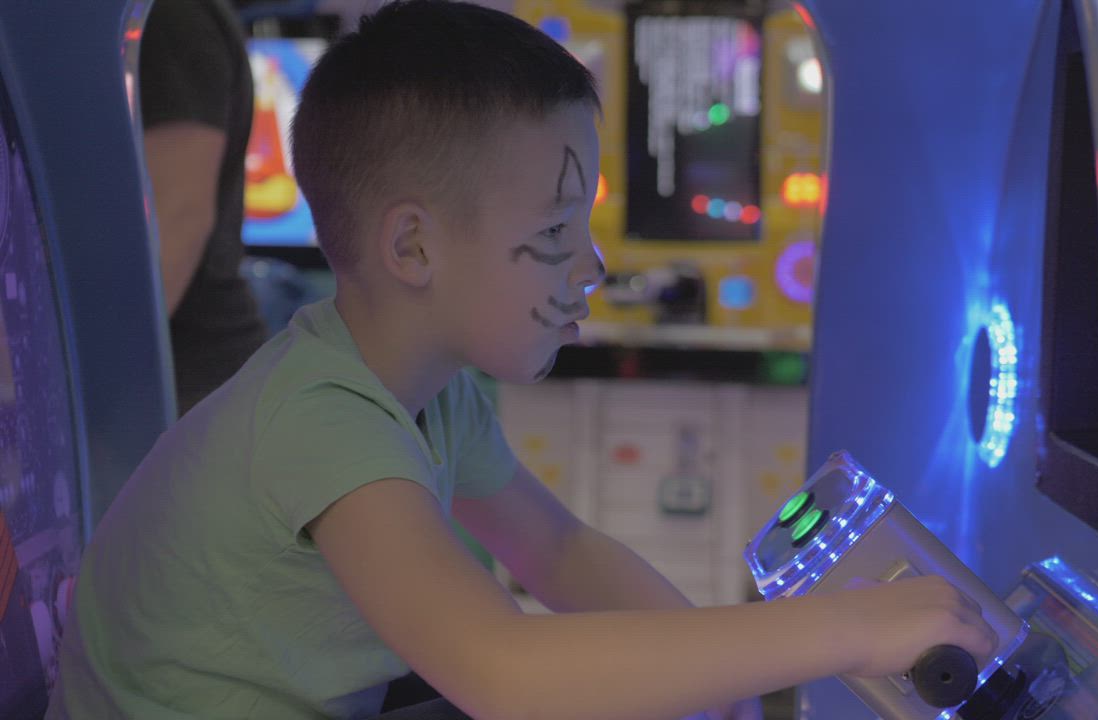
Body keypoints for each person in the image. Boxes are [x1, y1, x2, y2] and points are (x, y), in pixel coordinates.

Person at [47, 2, 998, 718]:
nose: (592, 264)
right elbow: (500, 669)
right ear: (413, 249)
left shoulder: (434, 394)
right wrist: (842, 630)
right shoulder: (321, 421)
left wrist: (729, 690)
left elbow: (560, 551)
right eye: (553, 230)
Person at [140, 0, 268, 415]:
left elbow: (176, 221)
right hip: (175, 387)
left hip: (180, 390)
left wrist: (56, 377)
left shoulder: (170, 16)